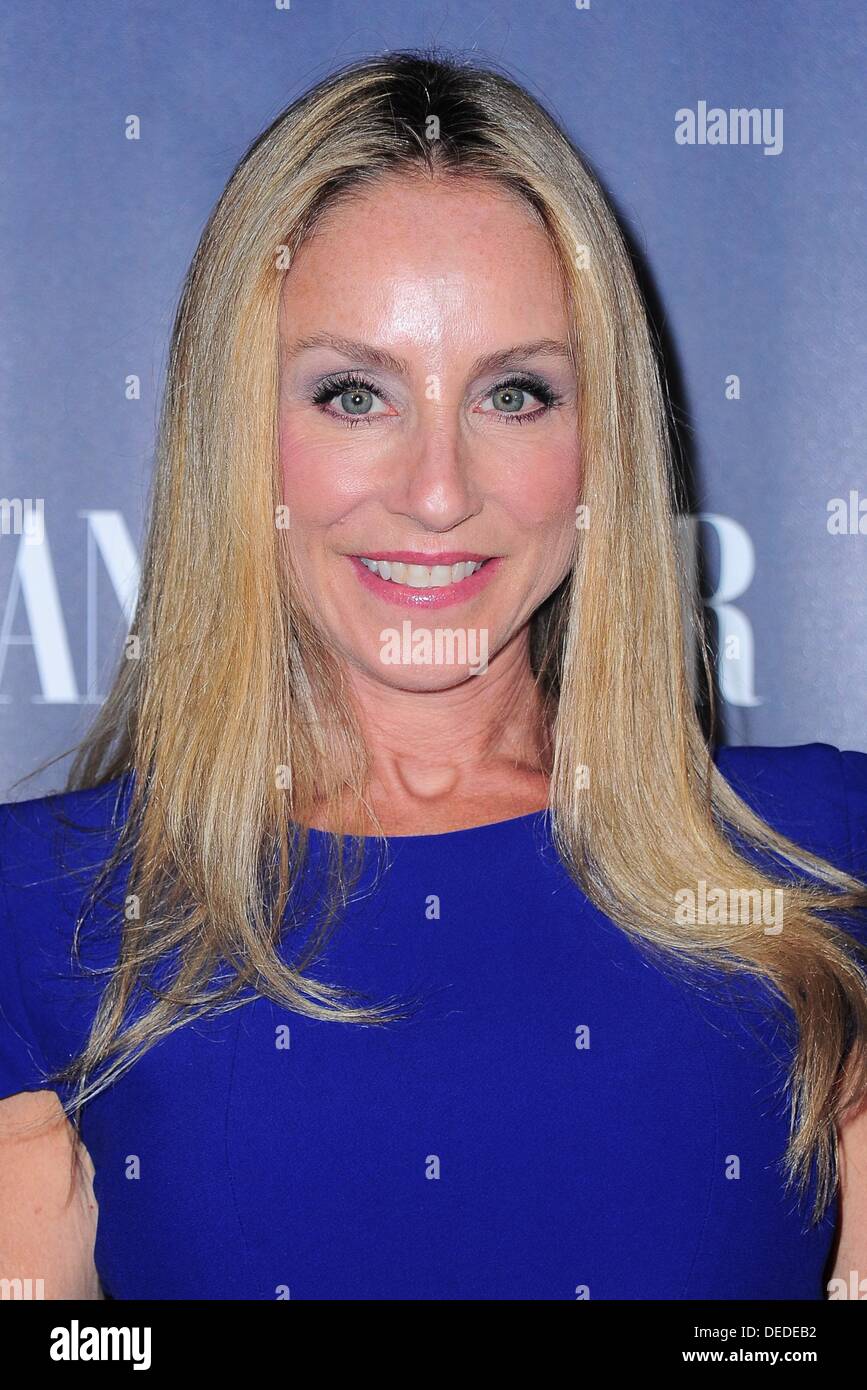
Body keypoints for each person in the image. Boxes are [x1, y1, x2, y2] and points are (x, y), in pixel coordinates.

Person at [1, 49, 866, 1302]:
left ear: (601, 438)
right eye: (355, 393)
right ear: (236, 430)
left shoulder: (818, 868)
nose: (440, 490)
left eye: (516, 393)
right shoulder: (45, 908)